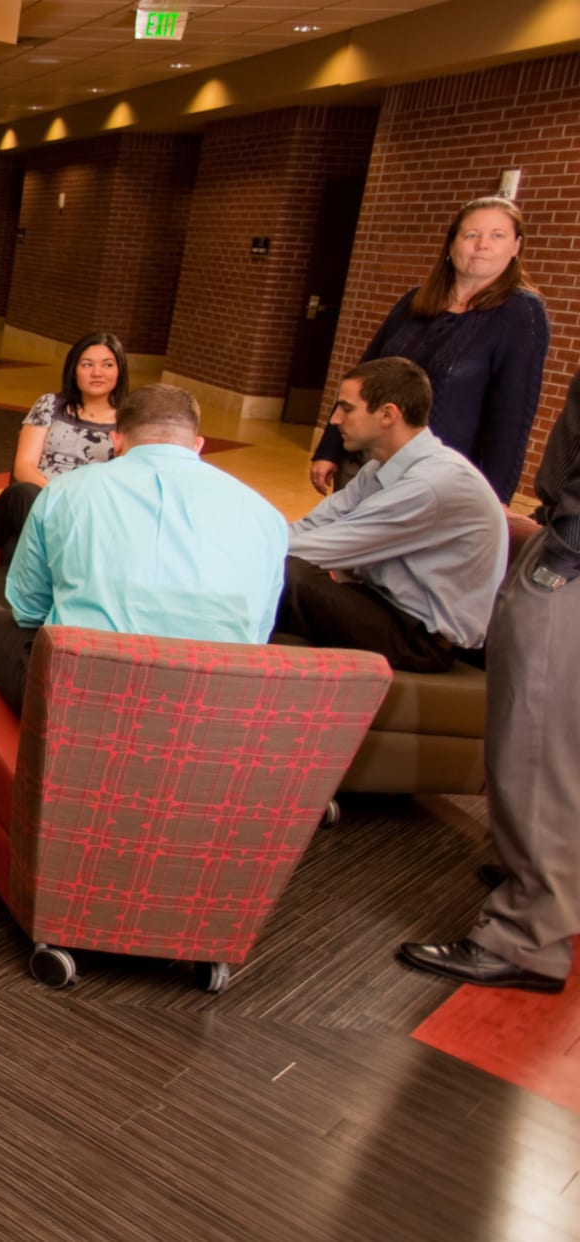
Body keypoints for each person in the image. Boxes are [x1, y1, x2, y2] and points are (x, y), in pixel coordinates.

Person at [401, 378, 580, 994]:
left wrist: (564, 550)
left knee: (534, 744)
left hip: (571, 562)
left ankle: (527, 935)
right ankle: (547, 880)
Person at [0, 384, 288, 716]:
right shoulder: (265, 514)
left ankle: (20, 758)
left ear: (116, 440)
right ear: (198, 445)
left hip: (90, 694)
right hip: (216, 701)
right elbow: (257, 632)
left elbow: (28, 608)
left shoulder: (66, 491)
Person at [310, 196, 549, 504]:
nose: (482, 245)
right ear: (451, 245)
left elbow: (511, 418)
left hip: (434, 480)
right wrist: (329, 447)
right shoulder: (415, 301)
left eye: (497, 235)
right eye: (471, 235)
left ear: (516, 247)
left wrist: (493, 499)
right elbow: (362, 380)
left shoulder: (521, 313)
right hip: (366, 462)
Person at [282, 357, 509, 672]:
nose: (335, 419)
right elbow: (313, 527)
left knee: (291, 574)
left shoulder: (432, 484)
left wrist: (235, 551)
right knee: (284, 571)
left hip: (421, 638)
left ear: (387, 414)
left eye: (346, 408)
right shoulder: (378, 467)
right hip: (383, 605)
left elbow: (330, 547)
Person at [0, 331, 129, 561]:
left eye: (108, 365)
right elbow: (24, 467)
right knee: (24, 493)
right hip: (25, 506)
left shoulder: (128, 421)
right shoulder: (50, 404)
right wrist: (60, 497)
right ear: (74, 371)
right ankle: (65, 551)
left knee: (17, 550)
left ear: (119, 371)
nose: (97, 373)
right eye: (87, 364)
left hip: (82, 516)